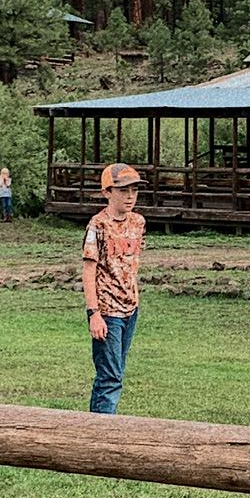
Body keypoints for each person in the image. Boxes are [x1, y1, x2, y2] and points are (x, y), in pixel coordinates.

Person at [82, 162, 145, 413]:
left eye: (134, 191)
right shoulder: (97, 225)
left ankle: (100, 427)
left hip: (130, 309)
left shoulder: (138, 223)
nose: (130, 196)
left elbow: (130, 265)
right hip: (107, 312)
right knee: (110, 377)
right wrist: (94, 314)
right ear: (107, 192)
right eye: (123, 191)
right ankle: (100, 434)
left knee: (117, 371)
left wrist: (134, 299)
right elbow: (89, 270)